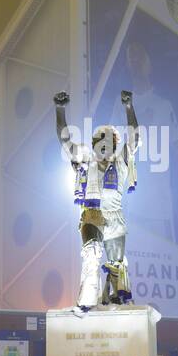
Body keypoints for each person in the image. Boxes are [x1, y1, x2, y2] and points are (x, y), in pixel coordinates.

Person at [55, 89, 140, 309]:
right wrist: (60, 110)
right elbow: (65, 141)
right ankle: (87, 302)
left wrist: (129, 108)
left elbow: (134, 137)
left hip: (114, 217)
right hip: (91, 214)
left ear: (114, 144)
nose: (103, 145)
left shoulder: (121, 161)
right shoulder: (86, 159)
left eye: (108, 141)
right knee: (91, 256)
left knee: (116, 266)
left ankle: (112, 300)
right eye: (98, 141)